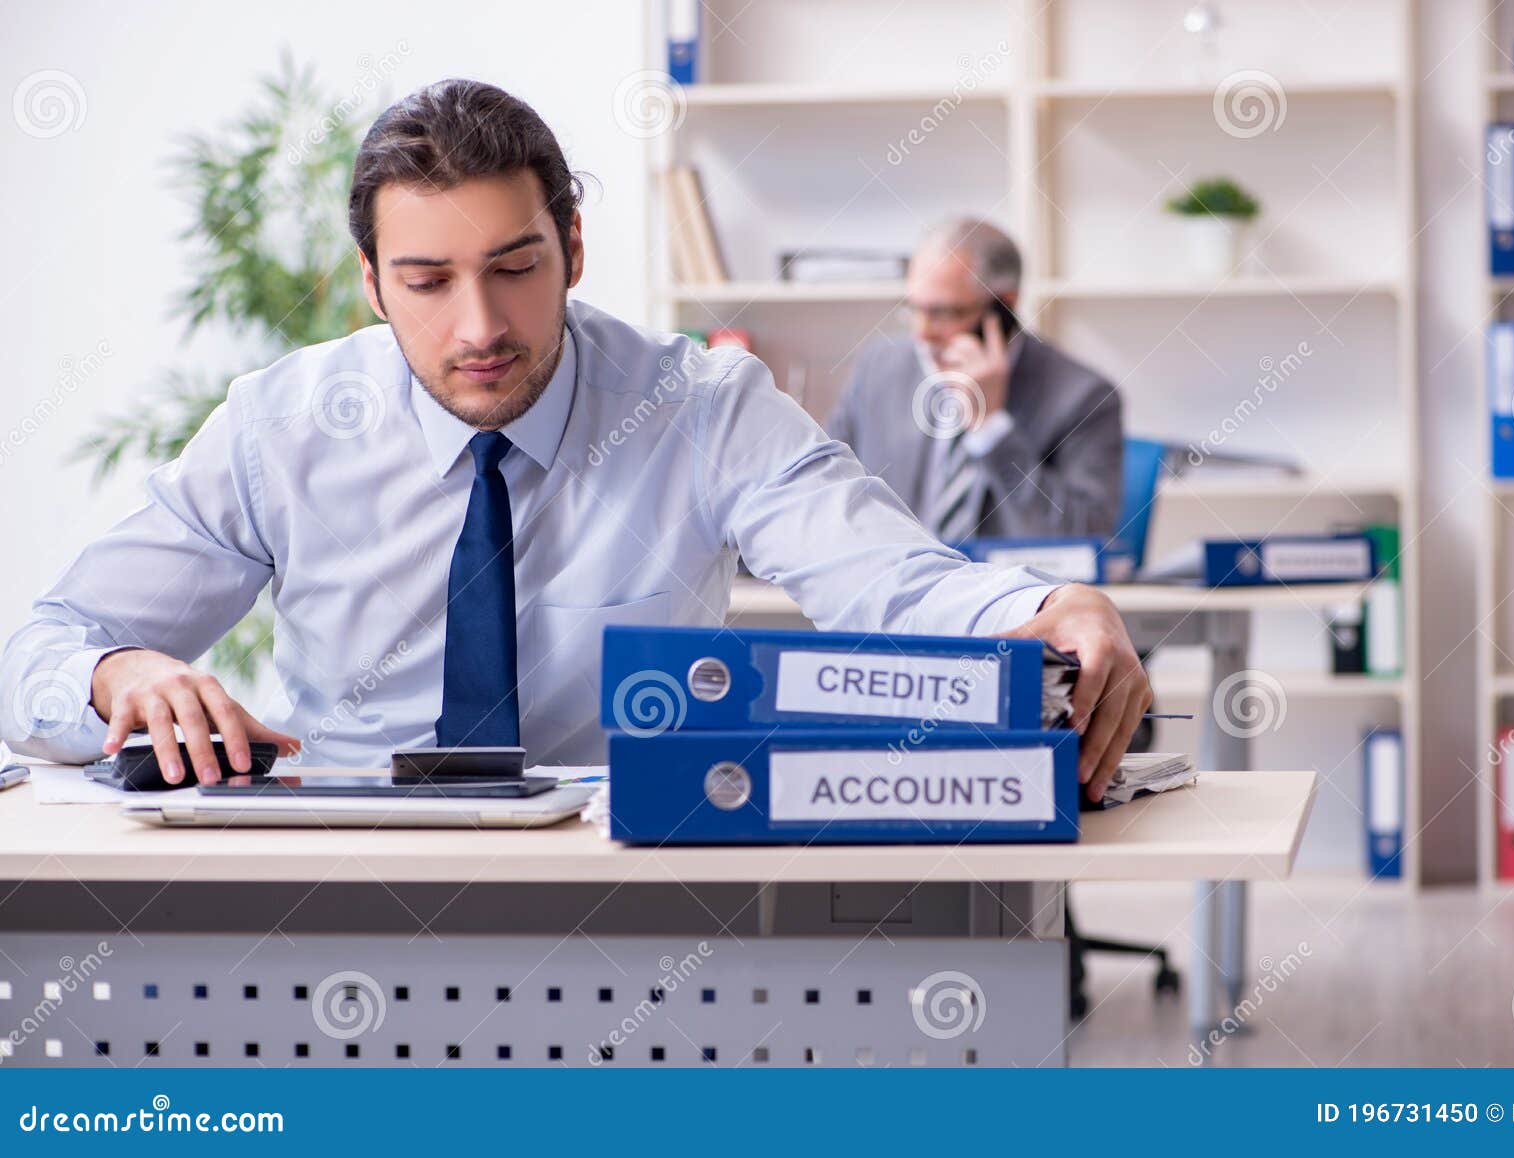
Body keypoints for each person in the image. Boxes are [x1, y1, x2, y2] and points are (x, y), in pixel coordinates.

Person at [0, 79, 1150, 802]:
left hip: (632, 881)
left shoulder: (703, 405)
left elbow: (887, 584)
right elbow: (40, 652)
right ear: (369, 284)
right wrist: (119, 671)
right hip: (348, 871)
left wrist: (1039, 613)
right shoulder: (280, 426)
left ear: (575, 250)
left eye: (515, 268)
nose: (481, 327)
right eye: (427, 281)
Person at [827, 219, 1123, 543]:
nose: (921, 333)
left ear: (1003, 307)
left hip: (1009, 591)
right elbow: (822, 485)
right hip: (890, 585)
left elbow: (1082, 539)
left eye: (943, 313)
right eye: (914, 309)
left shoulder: (1083, 397)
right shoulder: (880, 368)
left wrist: (991, 427)